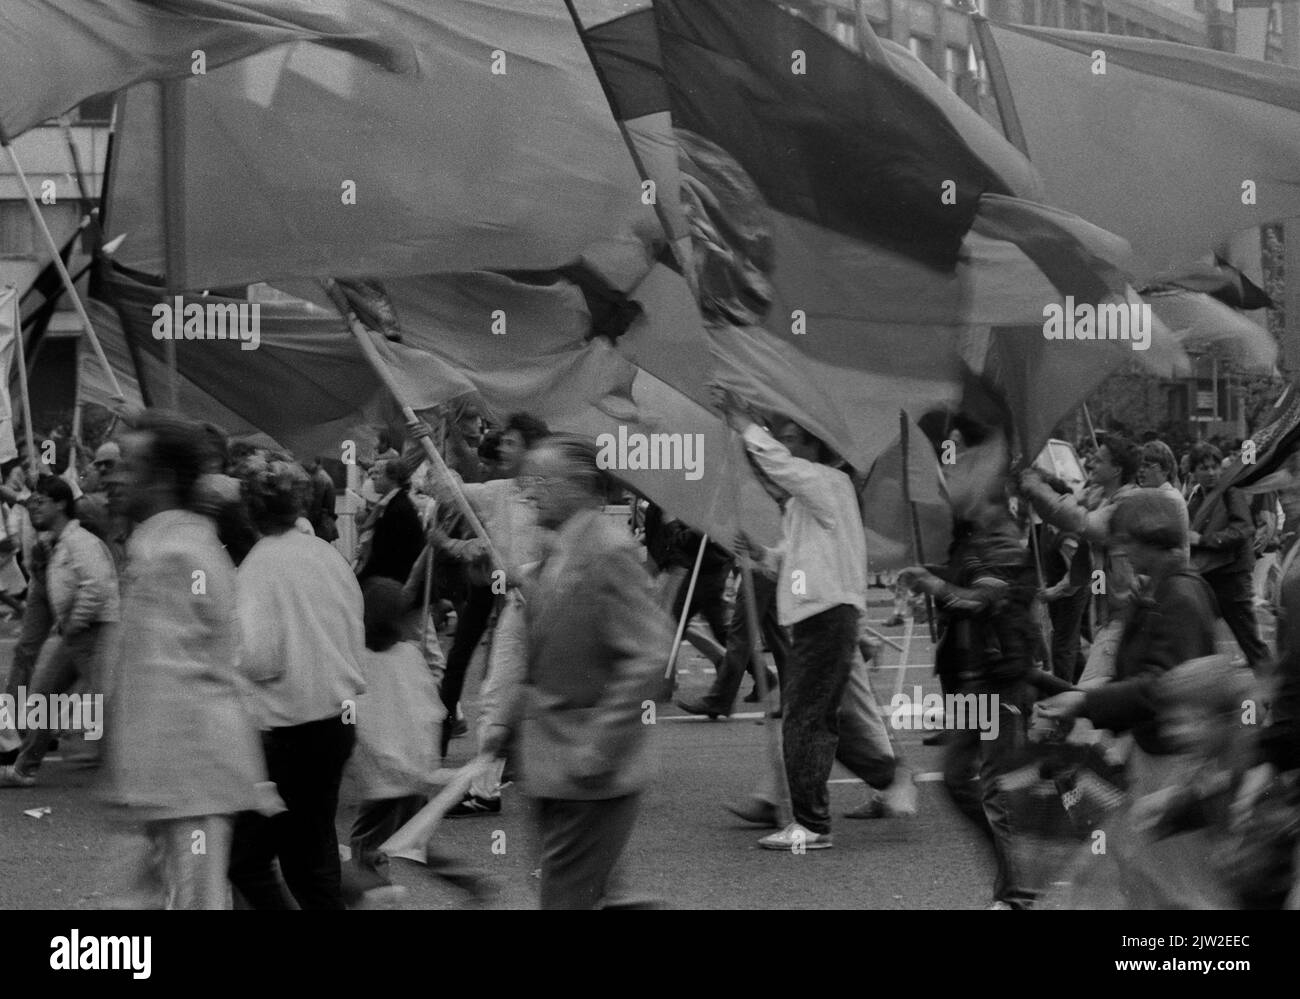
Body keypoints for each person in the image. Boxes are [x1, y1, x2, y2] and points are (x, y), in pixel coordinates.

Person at [481, 435, 670, 908]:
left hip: (590, 767)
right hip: (549, 760)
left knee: (564, 895)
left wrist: (601, 746)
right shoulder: (553, 552)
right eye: (527, 481)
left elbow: (648, 657)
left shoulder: (610, 552)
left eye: (540, 480)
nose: (528, 492)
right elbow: (538, 661)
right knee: (582, 887)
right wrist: (504, 721)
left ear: (580, 485)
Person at [97, 413, 268, 908]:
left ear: (165, 479)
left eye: (129, 465)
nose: (113, 477)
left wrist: (131, 782)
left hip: (186, 774)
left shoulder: (173, 555)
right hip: (183, 776)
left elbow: (170, 681)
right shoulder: (172, 544)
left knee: (193, 901)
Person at [712, 389, 869, 850]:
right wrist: (761, 555)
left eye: (792, 433)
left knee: (805, 719)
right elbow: (793, 559)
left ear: (812, 443)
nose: (785, 439)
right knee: (810, 717)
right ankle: (812, 816)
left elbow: (778, 463)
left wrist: (743, 424)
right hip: (818, 616)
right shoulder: (812, 497)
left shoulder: (827, 482)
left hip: (827, 616)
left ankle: (812, 822)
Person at [228, 454, 367, 910]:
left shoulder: (257, 569)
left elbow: (260, 659)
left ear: (249, 511)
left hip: (289, 726)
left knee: (249, 858)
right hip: (336, 716)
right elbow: (353, 623)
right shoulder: (327, 555)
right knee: (313, 851)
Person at [901, 465, 1040, 909]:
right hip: (972, 679)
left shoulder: (1002, 539)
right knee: (959, 778)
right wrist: (931, 572)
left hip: (1000, 678)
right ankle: (1014, 870)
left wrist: (936, 585)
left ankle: (1017, 893)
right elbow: (966, 578)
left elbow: (984, 598)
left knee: (998, 786)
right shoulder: (971, 537)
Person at [0, 476, 119, 786]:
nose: (33, 509)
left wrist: (74, 620)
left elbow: (98, 586)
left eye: (41, 502)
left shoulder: (81, 542)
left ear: (61, 504)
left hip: (94, 630)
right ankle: (24, 769)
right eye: (32, 502)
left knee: (109, 702)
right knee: (44, 697)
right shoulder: (57, 542)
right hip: (76, 632)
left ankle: (132, 771)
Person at [1186, 442, 1270, 673]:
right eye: (1204, 468)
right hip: (1207, 576)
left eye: (1215, 467)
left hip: (1231, 576)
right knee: (1198, 638)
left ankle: (1276, 698)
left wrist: (1203, 540)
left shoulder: (1230, 491)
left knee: (1249, 641)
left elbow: (1244, 529)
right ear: (1194, 471)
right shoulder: (1196, 497)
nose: (1212, 472)